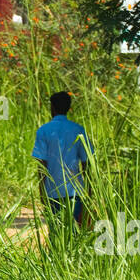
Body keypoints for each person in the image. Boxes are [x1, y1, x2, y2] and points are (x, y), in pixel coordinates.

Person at [31, 91, 91, 230]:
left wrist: (42, 192)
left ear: (52, 107)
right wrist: (88, 191)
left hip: (52, 192)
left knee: (56, 232)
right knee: (76, 232)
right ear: (69, 108)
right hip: (75, 192)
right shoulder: (78, 130)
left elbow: (42, 165)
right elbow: (86, 164)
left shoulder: (43, 131)